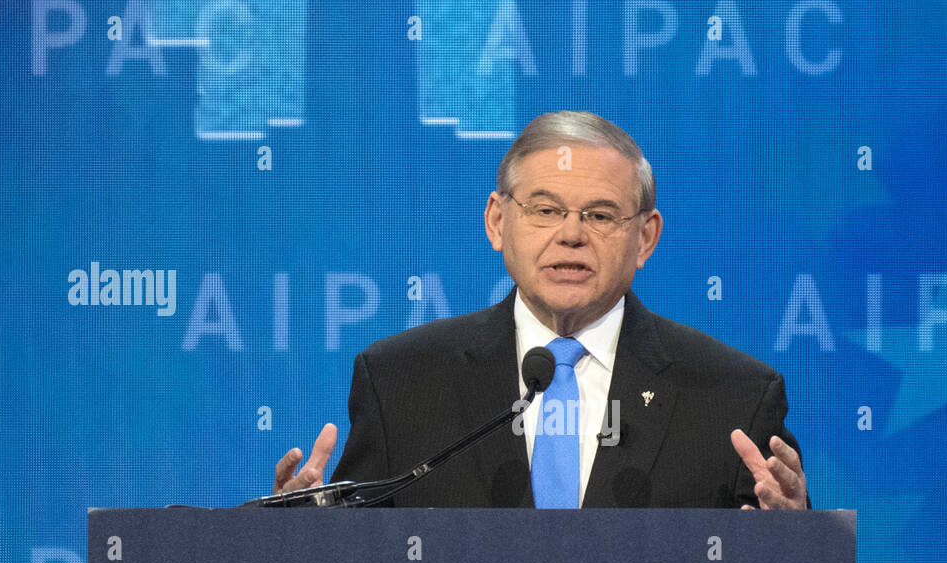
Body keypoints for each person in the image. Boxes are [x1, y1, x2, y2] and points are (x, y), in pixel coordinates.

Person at [273, 111, 807, 510]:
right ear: (497, 222)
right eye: (545, 210)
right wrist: (295, 540)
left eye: (600, 215)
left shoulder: (732, 396)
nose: (570, 235)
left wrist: (801, 542)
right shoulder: (402, 381)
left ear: (645, 238)